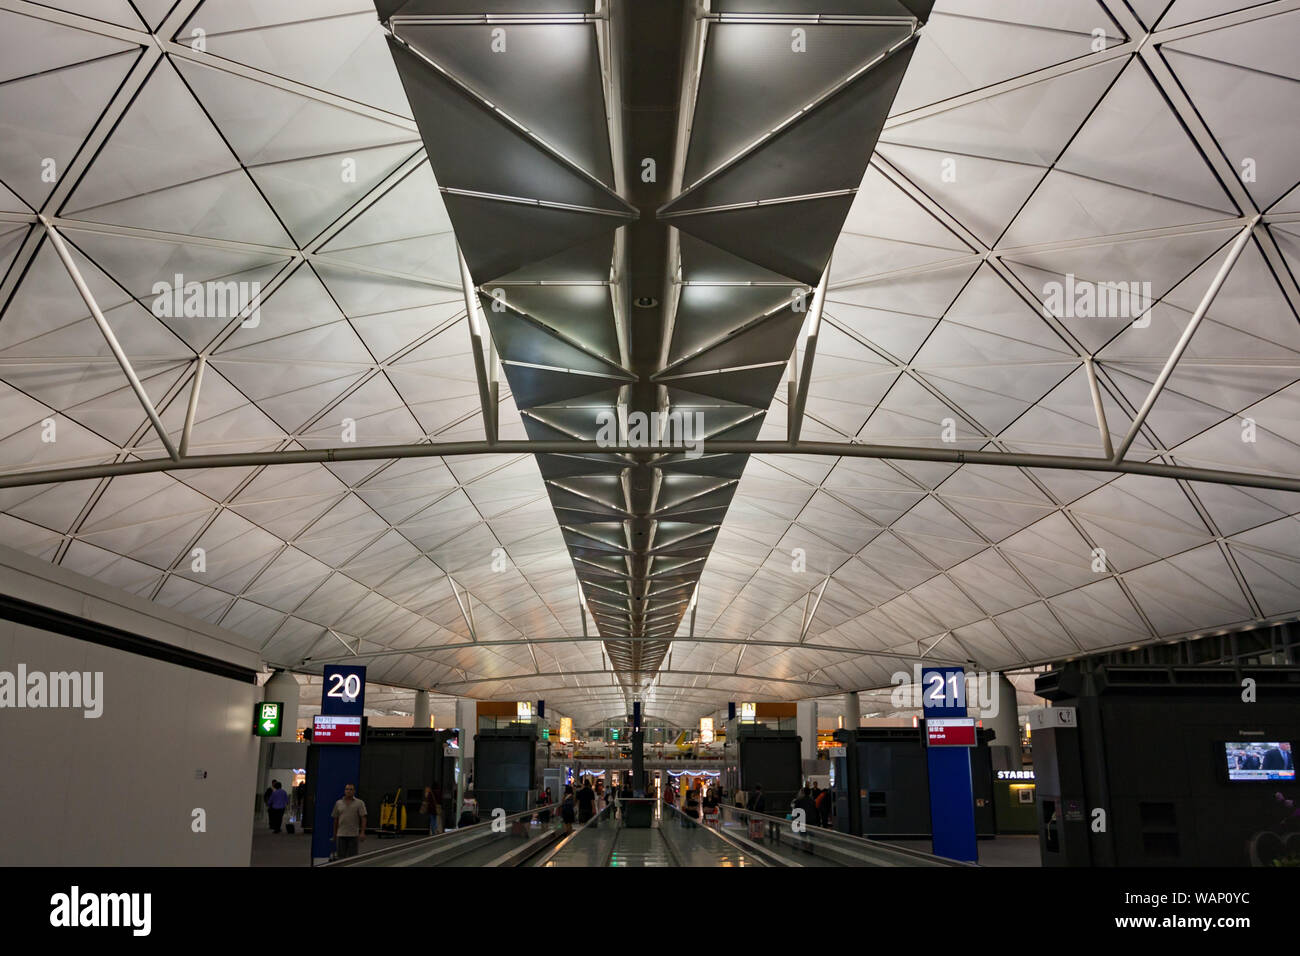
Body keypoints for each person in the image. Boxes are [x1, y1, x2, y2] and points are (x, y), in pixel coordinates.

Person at [331, 783, 367, 859]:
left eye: (351, 789)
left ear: (354, 791)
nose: (348, 791)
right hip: (341, 834)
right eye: (347, 789)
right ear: (344, 791)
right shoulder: (338, 803)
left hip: (353, 835)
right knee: (340, 857)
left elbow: (363, 818)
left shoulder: (359, 803)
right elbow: (335, 819)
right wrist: (334, 834)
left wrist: (362, 832)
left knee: (353, 858)